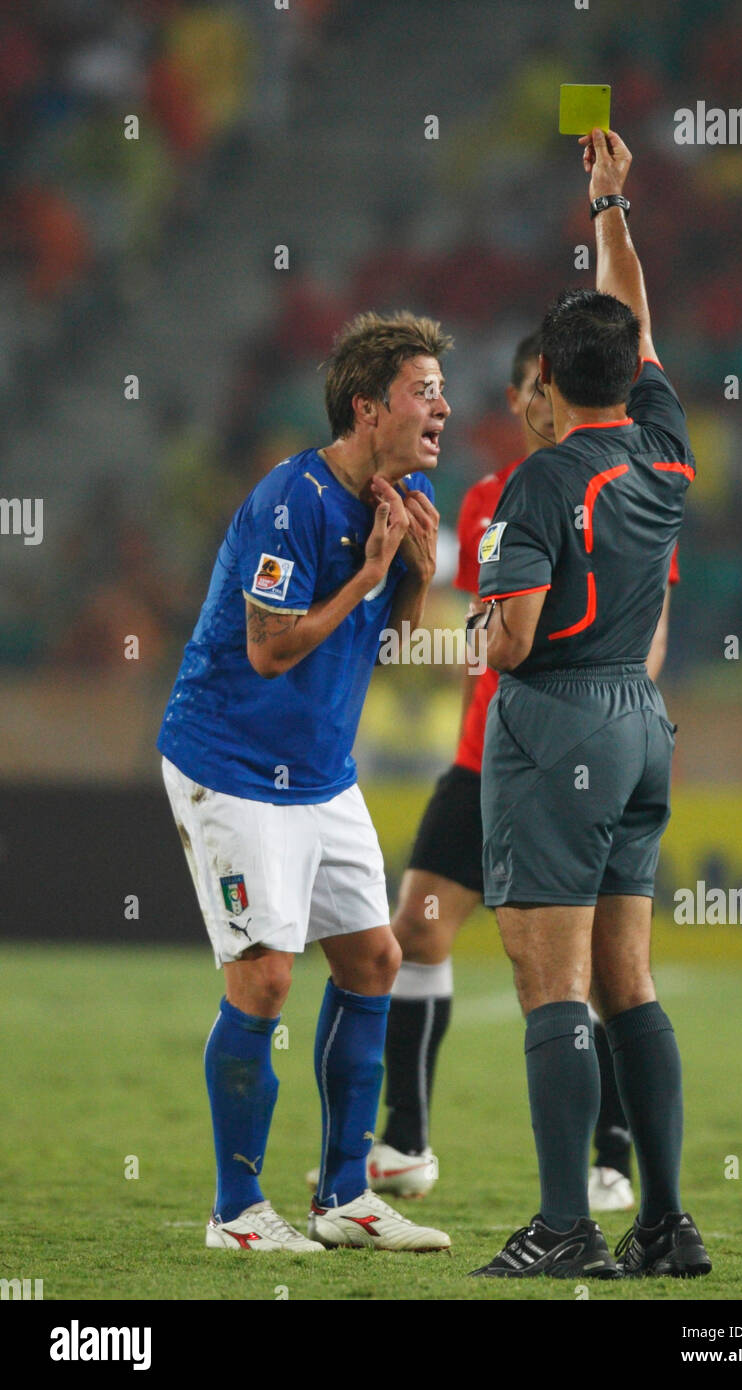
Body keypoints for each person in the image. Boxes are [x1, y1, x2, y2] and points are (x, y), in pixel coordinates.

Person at [357, 332, 679, 1210]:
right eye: (531, 388)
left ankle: (608, 1163)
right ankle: (406, 1144)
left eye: (555, 384)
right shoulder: (490, 500)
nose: (545, 401)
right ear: (518, 400)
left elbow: (626, 628)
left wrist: (594, 714)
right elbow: (480, 630)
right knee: (417, 929)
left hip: (567, 751)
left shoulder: (623, 483)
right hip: (483, 756)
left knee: (587, 969)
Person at [157, 311, 454, 1254]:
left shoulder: (399, 497)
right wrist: (368, 576)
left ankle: (344, 1198)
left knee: (373, 961)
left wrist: (410, 571)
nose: (442, 405)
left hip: (322, 773)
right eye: (423, 390)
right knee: (268, 979)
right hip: (230, 763)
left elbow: (397, 647)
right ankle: (236, 1212)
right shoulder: (293, 500)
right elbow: (270, 648)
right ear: (368, 409)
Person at [471, 129, 710, 1280]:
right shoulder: (663, 448)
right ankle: (662, 1223)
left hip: (555, 719)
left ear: (546, 385)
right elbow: (638, 326)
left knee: (550, 986)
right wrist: (609, 203)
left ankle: (564, 1225)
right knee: (630, 981)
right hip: (638, 721)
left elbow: (511, 636)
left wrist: (475, 619)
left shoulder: (538, 478)